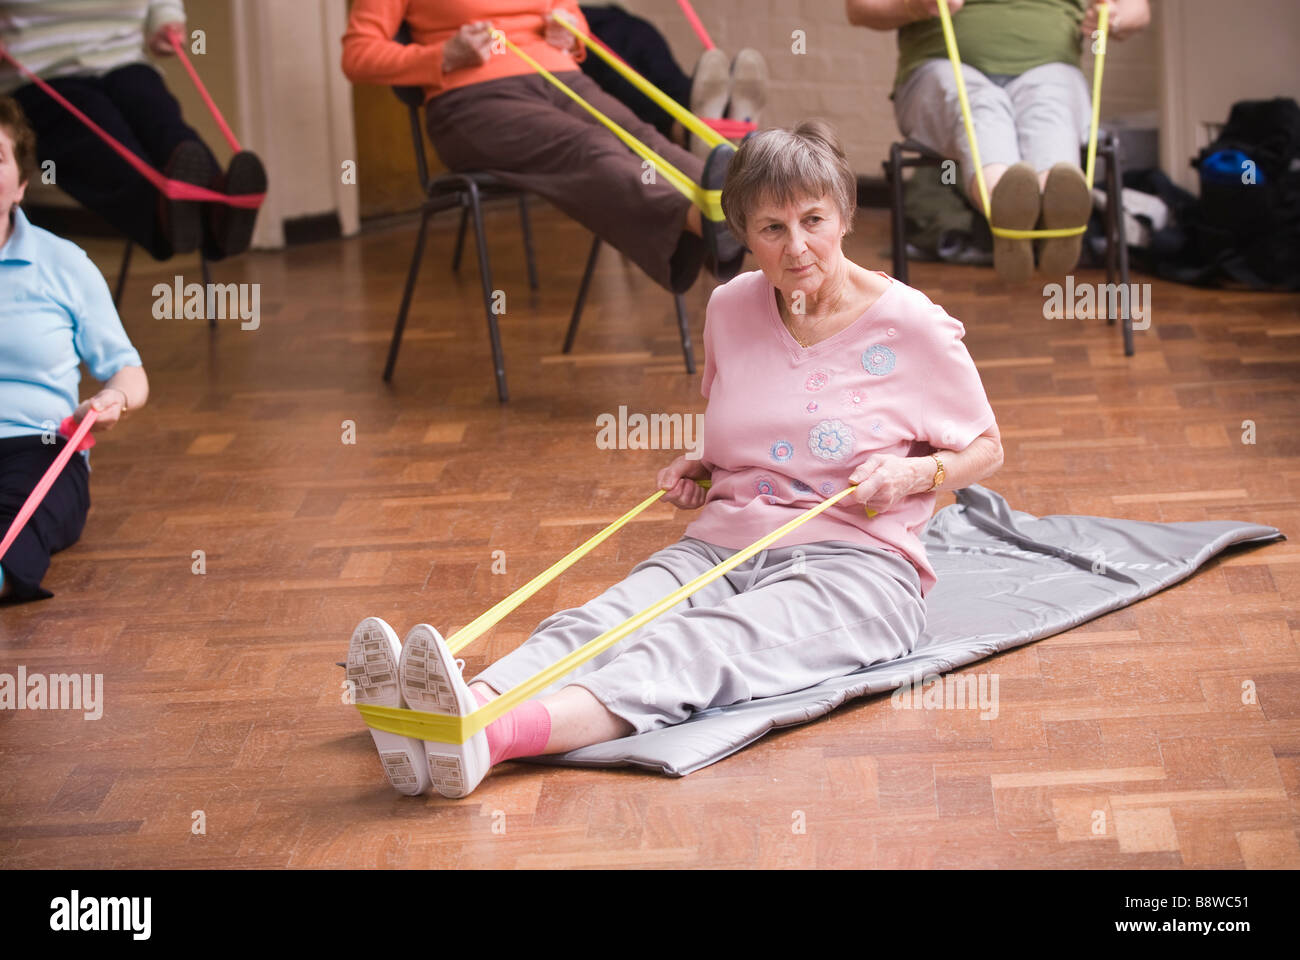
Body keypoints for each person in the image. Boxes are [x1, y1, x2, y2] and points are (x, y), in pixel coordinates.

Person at [347, 120, 1005, 799]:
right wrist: (709, 459)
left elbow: (987, 448)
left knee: (695, 650)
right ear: (744, 234)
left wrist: (915, 474)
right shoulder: (730, 307)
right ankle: (451, 706)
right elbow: (763, 414)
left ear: (844, 217)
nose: (797, 246)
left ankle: (487, 738)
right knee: (600, 622)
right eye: (772, 228)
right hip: (723, 543)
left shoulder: (912, 325)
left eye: (813, 219)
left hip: (857, 567)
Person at [341, 0, 745, 294]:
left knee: (645, 140)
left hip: (563, 80)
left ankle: (751, 210)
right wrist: (442, 55)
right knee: (590, 148)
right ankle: (713, 224)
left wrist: (571, 32)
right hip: (472, 101)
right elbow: (357, 55)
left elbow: (572, 16)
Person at [846, 0, 1151, 282]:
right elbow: (859, 7)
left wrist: (1114, 18)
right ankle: (1025, 218)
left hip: (1051, 68)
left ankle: (1038, 217)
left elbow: (1138, 9)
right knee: (977, 104)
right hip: (941, 66)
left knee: (1050, 104)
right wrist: (915, 6)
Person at [0, 97, 148, 603]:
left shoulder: (63, 263)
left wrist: (113, 401)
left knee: (13, 525)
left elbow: (127, 369)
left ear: (21, 184)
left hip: (40, 442)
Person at [0, 0, 267, 262]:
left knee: (161, 118)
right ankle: (164, 218)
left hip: (124, 58)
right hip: (39, 70)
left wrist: (165, 14)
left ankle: (215, 209)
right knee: (99, 137)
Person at [577, 4, 767, 159]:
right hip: (561, 29)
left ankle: (715, 119)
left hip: (584, 15)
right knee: (614, 69)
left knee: (641, 36)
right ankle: (693, 129)